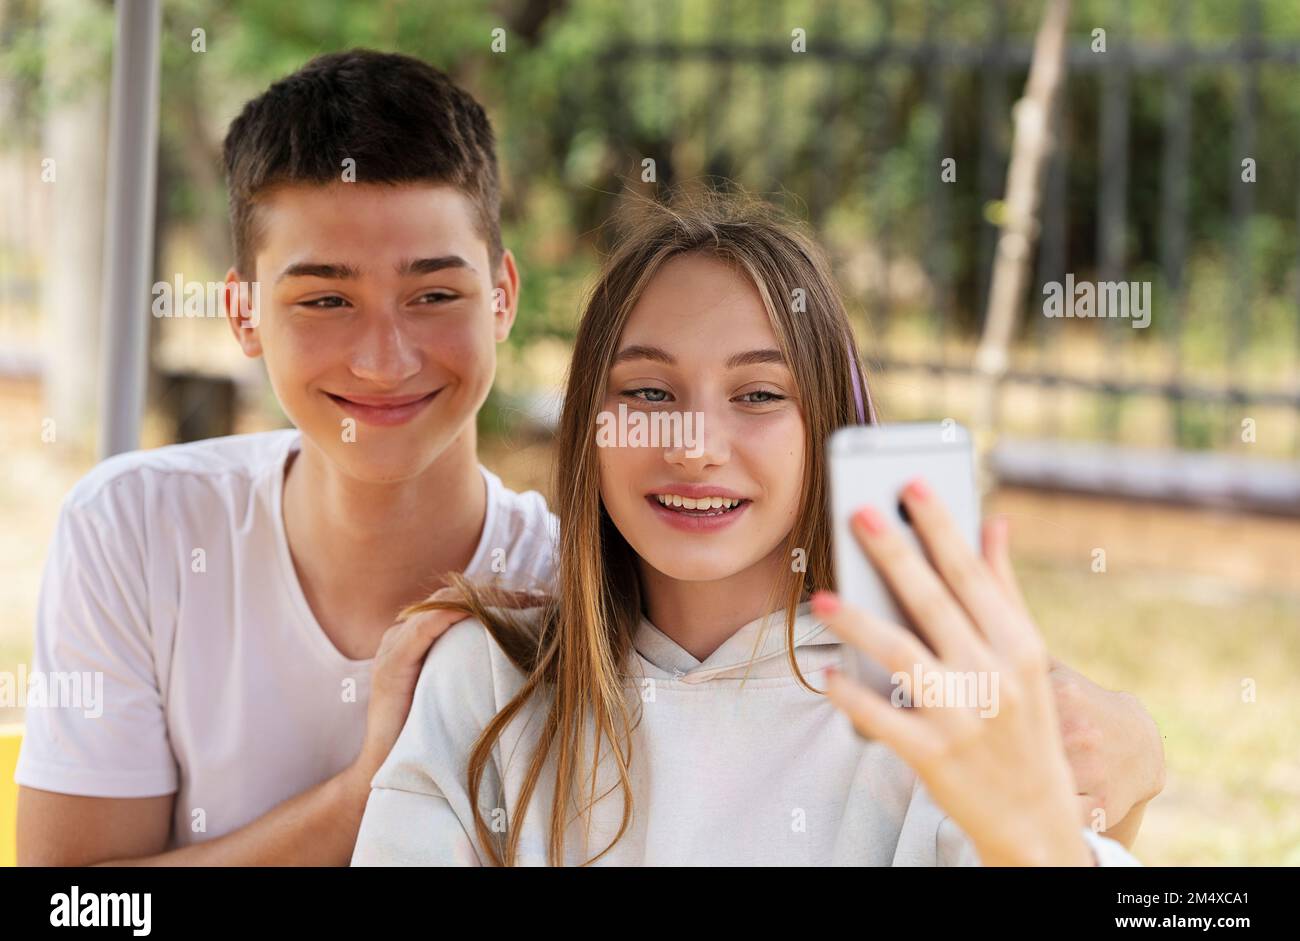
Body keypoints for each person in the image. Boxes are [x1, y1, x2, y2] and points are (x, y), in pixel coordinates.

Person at [350, 192, 1152, 866]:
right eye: (650, 394)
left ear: (829, 426)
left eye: (761, 395)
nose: (695, 446)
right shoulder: (486, 682)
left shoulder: (929, 702)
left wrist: (1049, 835)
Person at [15, 50, 554, 864]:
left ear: (503, 297)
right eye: (326, 300)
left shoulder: (578, 582)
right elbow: (78, 911)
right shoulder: (134, 530)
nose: (385, 359)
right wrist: (370, 788)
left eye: (435, 295)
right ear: (243, 314)